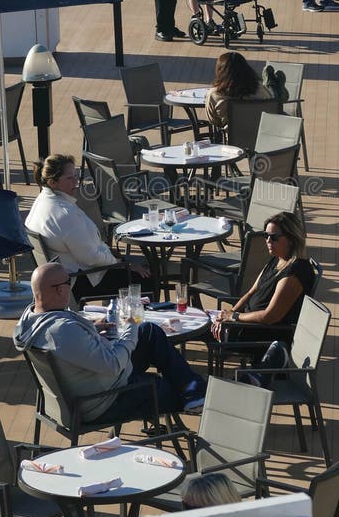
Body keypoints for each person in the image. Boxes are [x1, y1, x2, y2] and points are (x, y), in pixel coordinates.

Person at [14, 262, 206, 423]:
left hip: (90, 385)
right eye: (69, 281)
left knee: (148, 332)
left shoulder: (30, 319)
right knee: (168, 387)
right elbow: (113, 364)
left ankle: (193, 391)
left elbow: (70, 344)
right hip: (105, 400)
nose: (70, 285)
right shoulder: (62, 331)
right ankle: (193, 396)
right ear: (60, 289)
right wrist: (130, 328)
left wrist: (91, 328)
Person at [25, 154, 151, 302]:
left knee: (137, 268)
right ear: (53, 182)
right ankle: (142, 322)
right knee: (147, 277)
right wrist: (122, 264)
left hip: (64, 276)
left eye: (76, 175)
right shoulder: (65, 214)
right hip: (80, 281)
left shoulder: (41, 202)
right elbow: (92, 258)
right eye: (69, 178)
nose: (76, 182)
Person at [210, 211, 317, 346]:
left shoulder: (295, 273)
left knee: (199, 329)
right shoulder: (277, 259)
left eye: (274, 237)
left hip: (261, 334)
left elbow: (269, 317)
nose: (268, 240)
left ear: (291, 238)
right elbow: (250, 293)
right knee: (200, 320)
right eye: (266, 235)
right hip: (244, 323)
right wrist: (229, 315)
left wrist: (234, 317)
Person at [204, 51, 271, 132]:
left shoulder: (214, 95)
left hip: (232, 141)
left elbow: (213, 121)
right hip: (263, 138)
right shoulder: (260, 89)